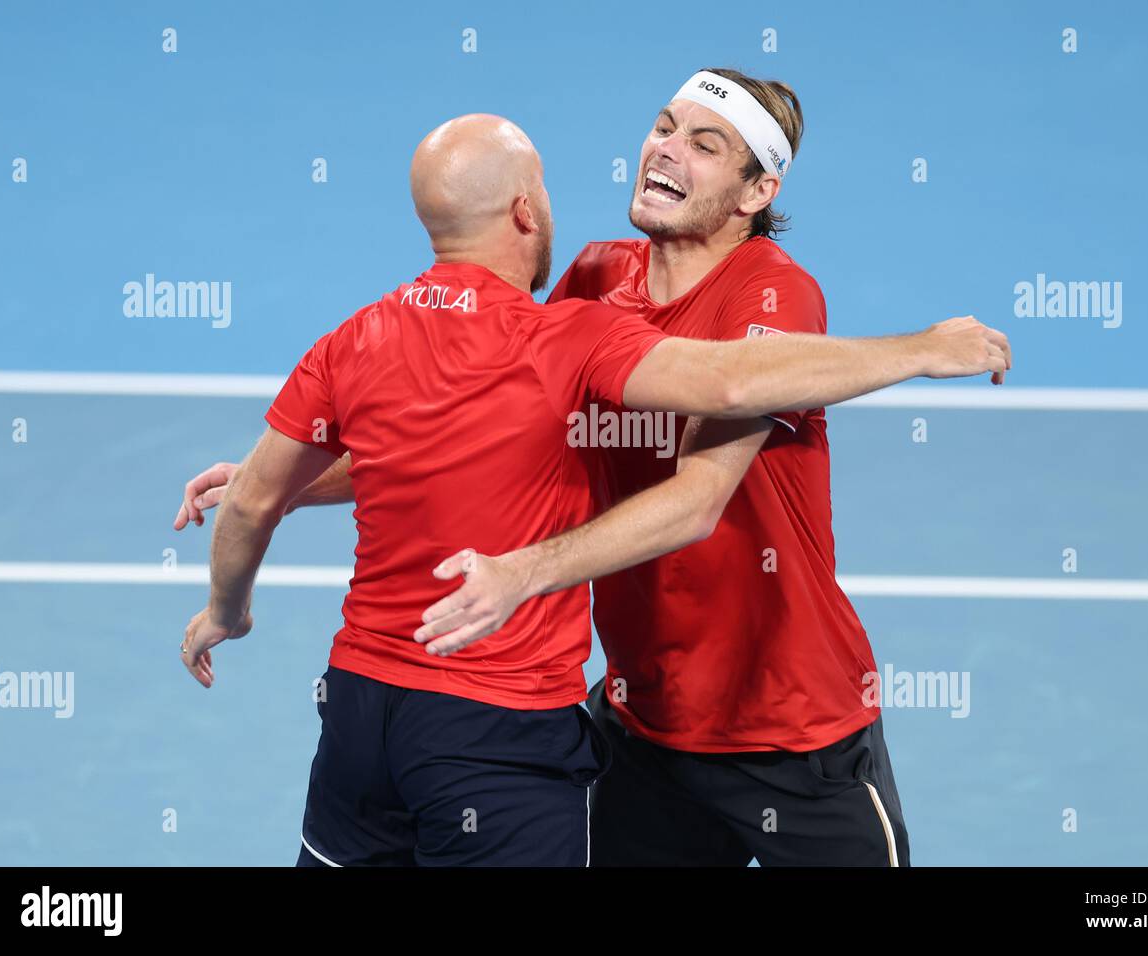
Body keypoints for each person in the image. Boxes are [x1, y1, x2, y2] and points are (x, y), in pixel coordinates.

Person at [177, 103, 1010, 868]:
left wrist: (922, 349)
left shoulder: (772, 294)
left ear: (759, 190)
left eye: (704, 144)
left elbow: (699, 495)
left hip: (791, 729)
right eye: (664, 127)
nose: (665, 149)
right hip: (643, 727)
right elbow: (485, 424)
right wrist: (286, 485)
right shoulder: (590, 280)